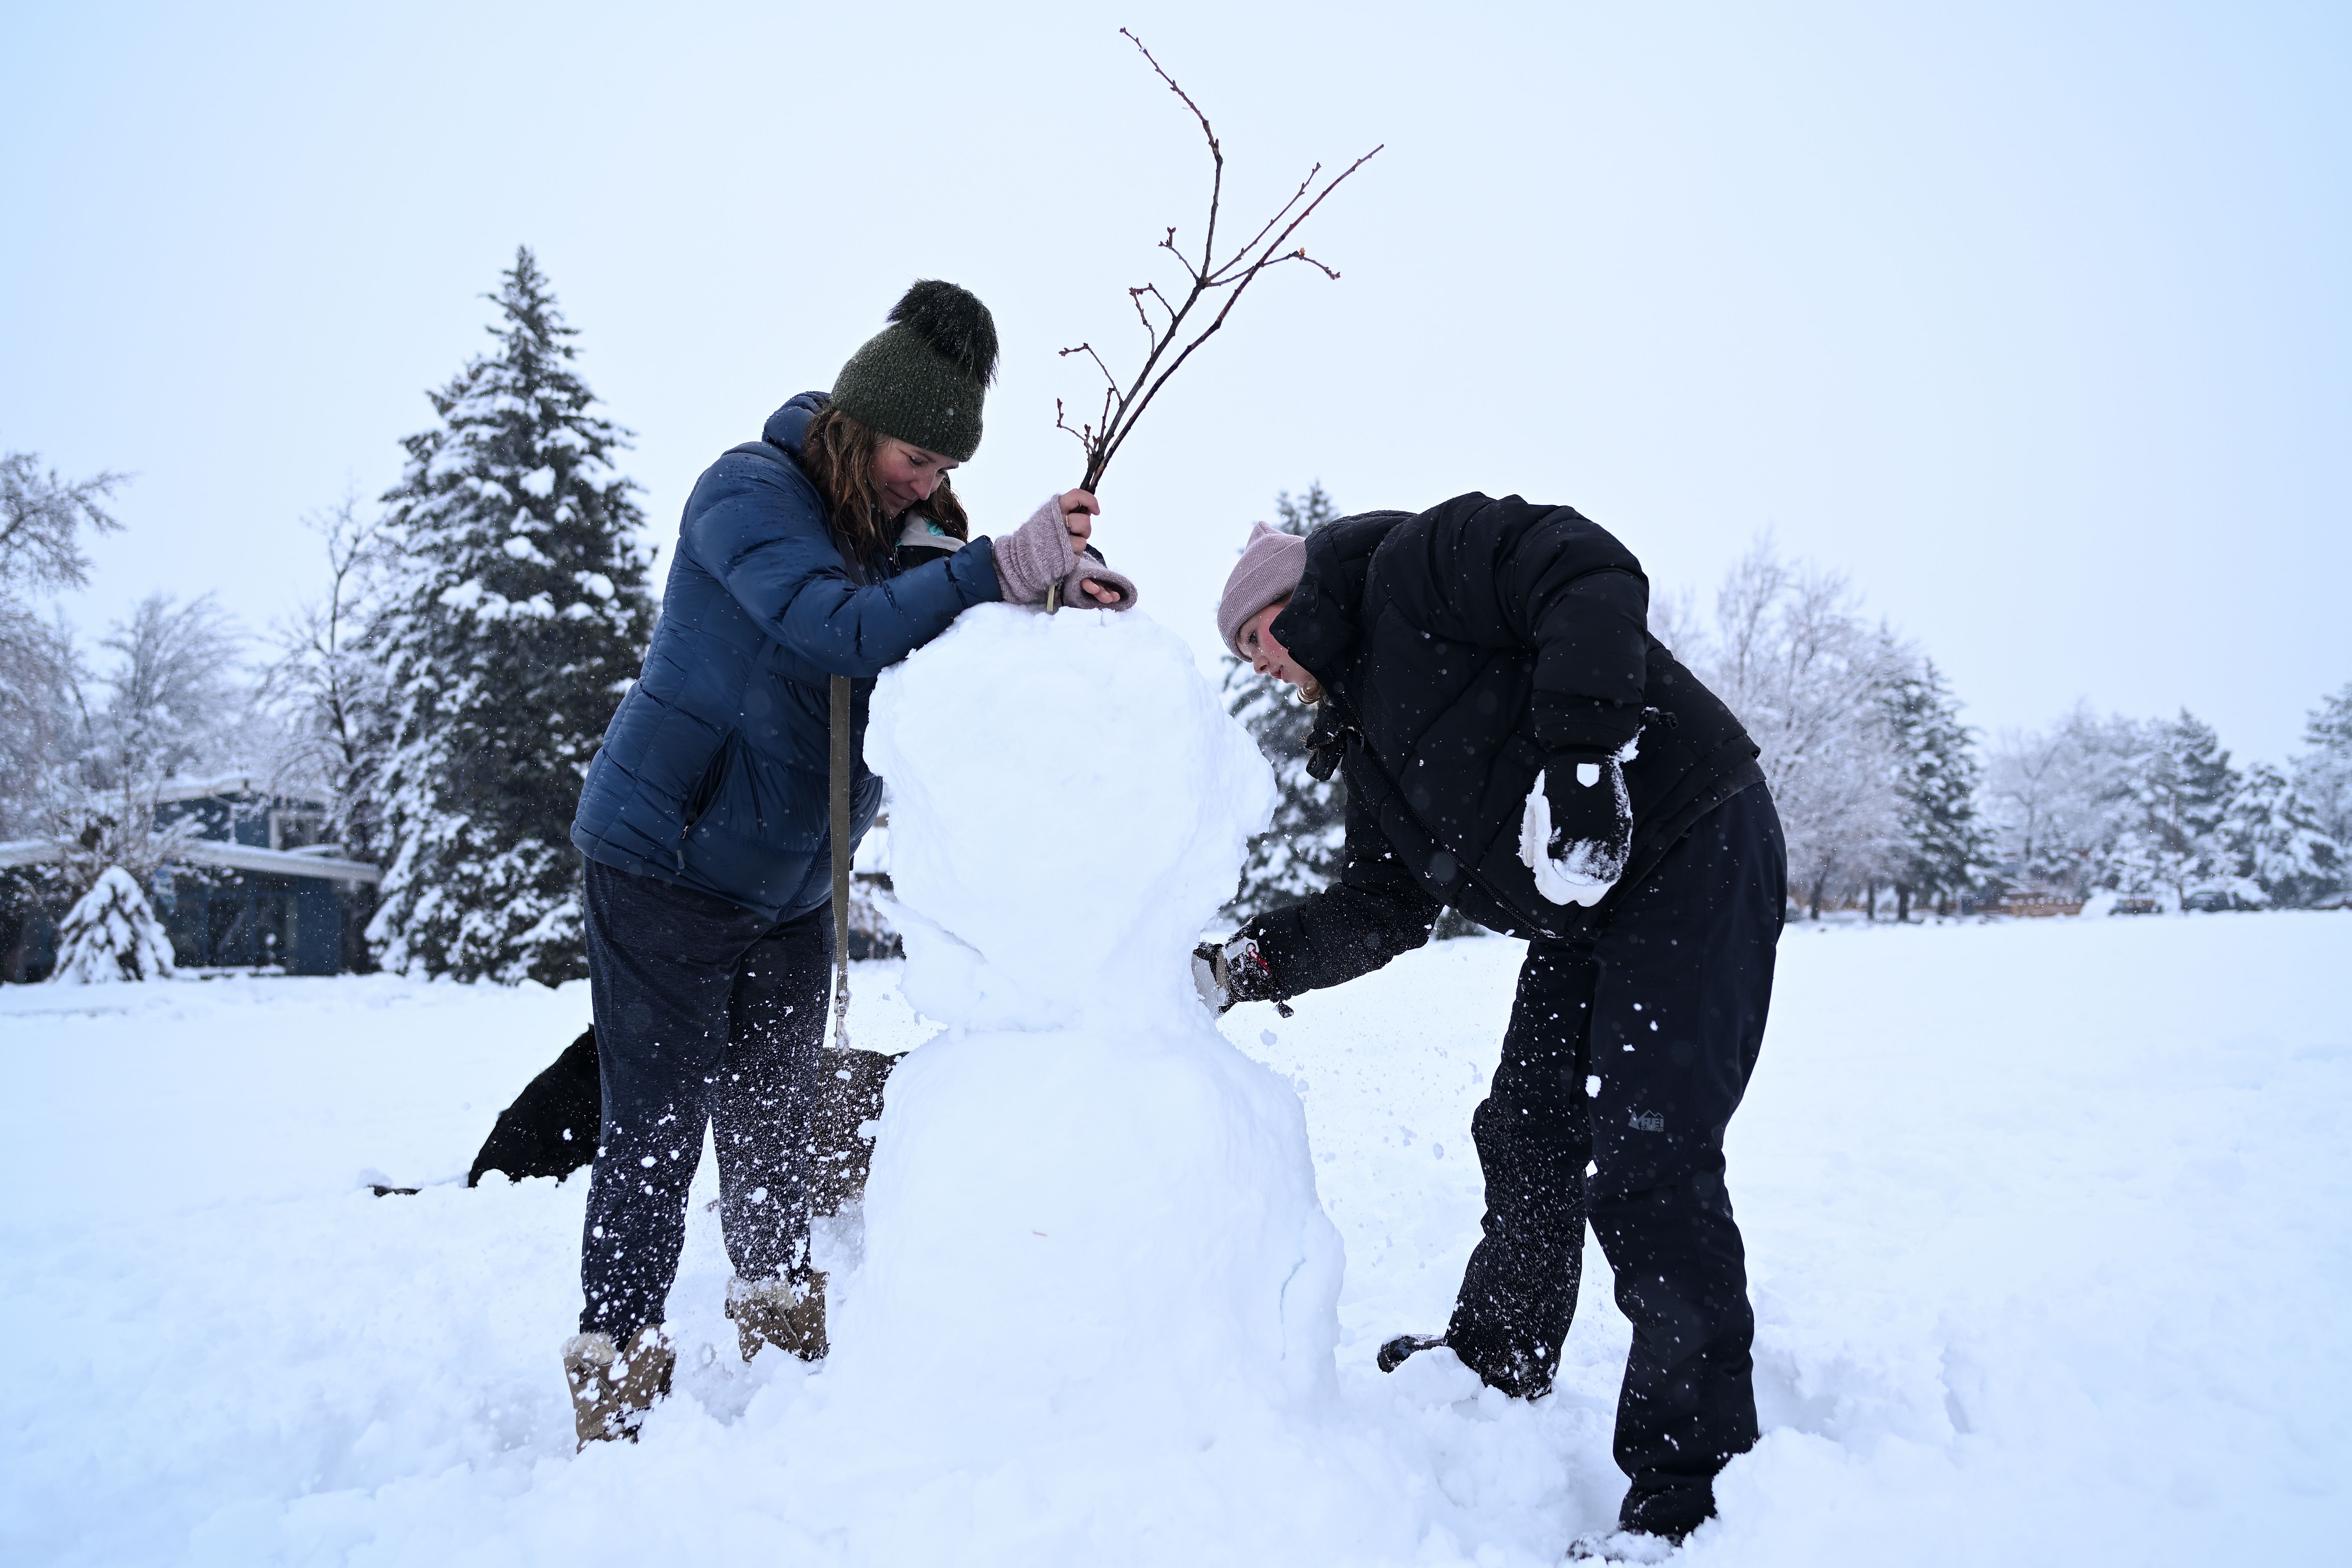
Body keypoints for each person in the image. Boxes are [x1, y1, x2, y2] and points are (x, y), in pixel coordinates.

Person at [560, 280, 1136, 1447]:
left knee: (772, 1121)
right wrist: (990, 566)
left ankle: (778, 1336)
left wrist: (1051, 585)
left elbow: (948, 613)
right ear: (858, 425)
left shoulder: (900, 525)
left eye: (942, 467)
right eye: (915, 459)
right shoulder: (746, 494)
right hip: (664, 858)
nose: (929, 485)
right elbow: (838, 627)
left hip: (791, 883)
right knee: (659, 1124)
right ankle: (616, 1370)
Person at [1195, 497, 1783, 1554]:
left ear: (1302, 598)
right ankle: (1499, 1357)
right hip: (1584, 908)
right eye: (1244, 655)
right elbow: (1379, 909)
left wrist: (1585, 762)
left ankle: (1691, 1499)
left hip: (1690, 836)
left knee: (1649, 1158)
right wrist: (1243, 965)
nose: (1263, 665)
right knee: (1528, 1129)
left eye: (1260, 635)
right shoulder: (1366, 745)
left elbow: (1586, 568)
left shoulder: (1419, 565)